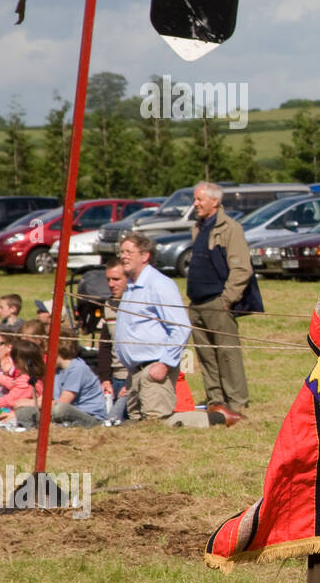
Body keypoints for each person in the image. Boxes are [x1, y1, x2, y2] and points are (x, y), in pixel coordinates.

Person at [184, 181, 252, 423]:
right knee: (205, 355)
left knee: (227, 354)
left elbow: (242, 268)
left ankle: (237, 403)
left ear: (215, 201)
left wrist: (227, 299)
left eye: (199, 199)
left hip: (218, 303)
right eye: (195, 199)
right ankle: (215, 400)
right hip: (197, 303)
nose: (195, 204)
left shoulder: (230, 228)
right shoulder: (198, 227)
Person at [114, 232, 192, 422]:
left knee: (157, 428)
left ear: (145, 255)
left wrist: (164, 364)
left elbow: (181, 327)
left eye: (128, 252)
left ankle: (213, 419)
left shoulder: (159, 284)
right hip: (135, 374)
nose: (123, 256)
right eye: (122, 252)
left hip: (154, 371)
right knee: (137, 430)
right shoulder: (131, 286)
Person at [15, 326, 106, 429]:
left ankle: (56, 426)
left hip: (89, 417)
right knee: (23, 412)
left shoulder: (77, 368)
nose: (45, 356)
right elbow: (48, 397)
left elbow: (63, 403)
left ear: (56, 350)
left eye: (46, 353)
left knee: (60, 409)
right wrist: (26, 404)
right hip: (64, 413)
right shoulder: (56, 371)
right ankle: (35, 428)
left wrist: (31, 403)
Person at [96, 258, 131, 421]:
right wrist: (104, 379)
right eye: (108, 279)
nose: (111, 284)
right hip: (114, 379)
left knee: (114, 420)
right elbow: (104, 346)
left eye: (116, 279)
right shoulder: (108, 305)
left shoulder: (138, 304)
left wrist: (132, 382)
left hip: (133, 379)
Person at [0, 330, 44, 427]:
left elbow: (9, 400)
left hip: (21, 415)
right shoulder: (28, 377)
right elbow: (13, 383)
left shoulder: (27, 380)